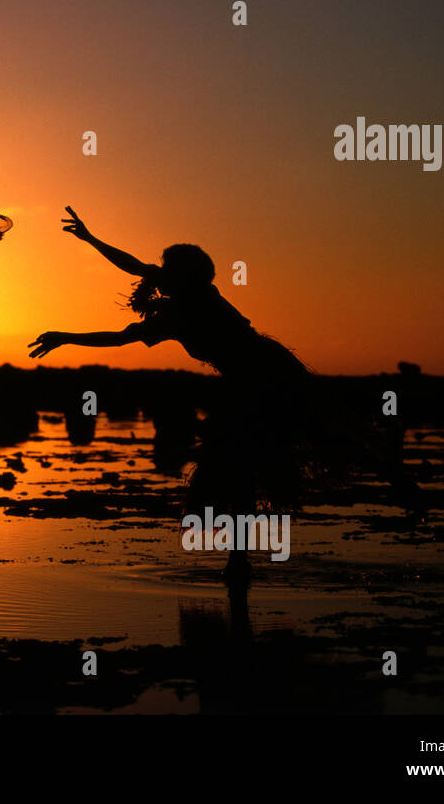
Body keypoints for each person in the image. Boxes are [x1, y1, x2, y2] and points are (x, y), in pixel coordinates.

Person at [30, 207, 319, 582]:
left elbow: (120, 336)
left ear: (181, 276)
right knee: (243, 467)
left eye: (166, 268)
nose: (158, 272)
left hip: (264, 381)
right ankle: (239, 559)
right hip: (255, 379)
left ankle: (239, 560)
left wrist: (66, 337)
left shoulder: (183, 311)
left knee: (245, 466)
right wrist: (90, 238)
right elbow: (134, 266)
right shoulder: (194, 293)